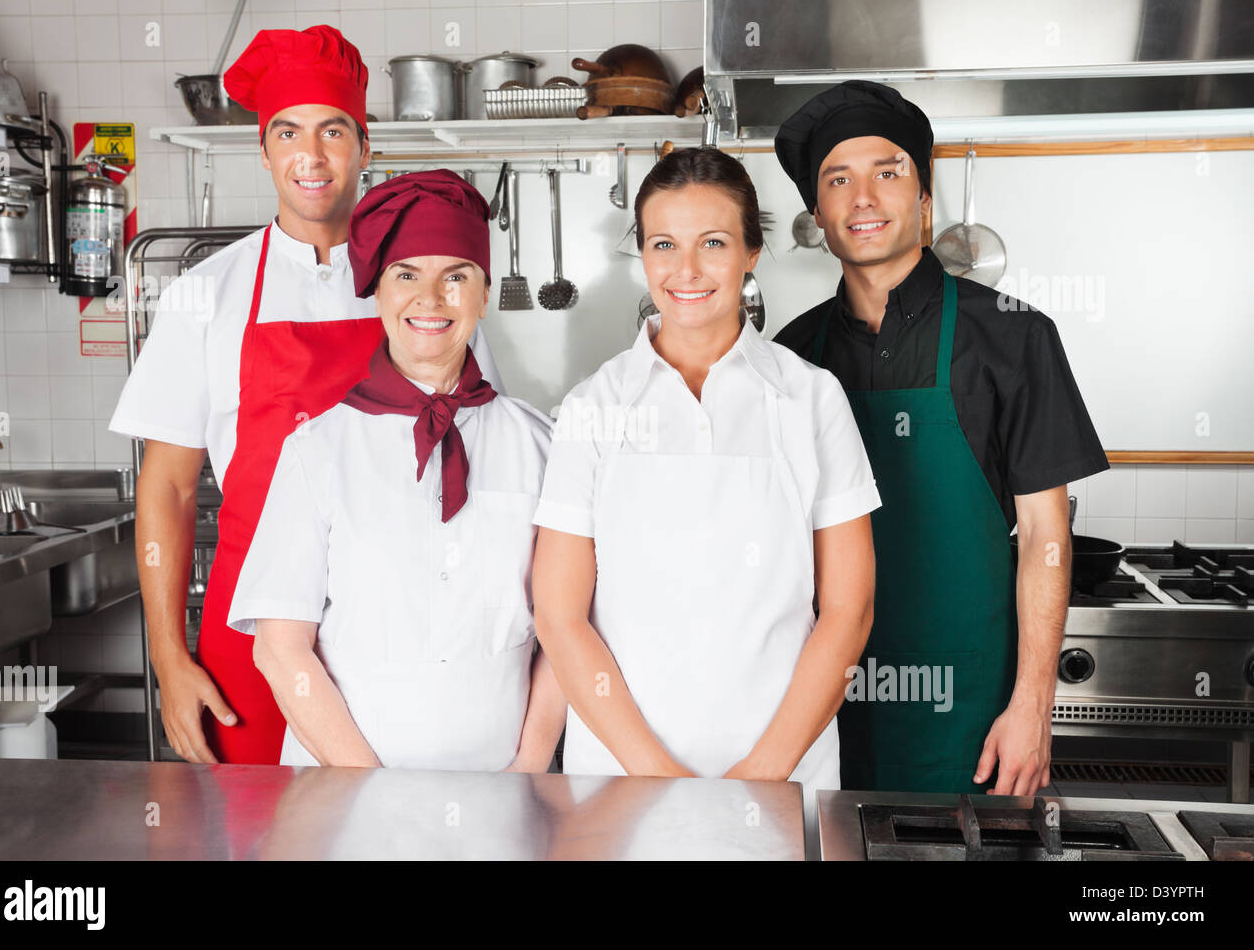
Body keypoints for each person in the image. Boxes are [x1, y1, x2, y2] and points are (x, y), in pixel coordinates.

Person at [108, 26, 504, 765]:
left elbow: (478, 454)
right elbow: (165, 487)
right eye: (287, 132)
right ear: (262, 149)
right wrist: (169, 657)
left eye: (332, 131)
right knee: (251, 836)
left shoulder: (426, 295)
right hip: (247, 633)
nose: (310, 157)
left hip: (392, 629)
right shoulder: (207, 293)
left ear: (364, 141)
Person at [773, 81, 1110, 796]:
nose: (863, 197)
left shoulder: (1016, 335)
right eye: (839, 180)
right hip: (820, 711)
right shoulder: (788, 356)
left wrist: (1033, 708)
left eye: (887, 172)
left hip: (974, 714)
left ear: (925, 205)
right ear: (819, 218)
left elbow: (1047, 535)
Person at [532, 147, 879, 836]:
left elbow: (850, 607)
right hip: (620, 784)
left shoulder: (811, 398)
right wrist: (662, 781)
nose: (685, 271)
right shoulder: (593, 406)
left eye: (713, 243)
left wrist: (761, 777)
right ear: (642, 254)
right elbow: (560, 616)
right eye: (664, 244)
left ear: (752, 251)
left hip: (785, 784)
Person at [227, 170, 564, 773]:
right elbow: (282, 652)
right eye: (406, 275)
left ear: (483, 294)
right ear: (377, 292)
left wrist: (529, 770)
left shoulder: (541, 444)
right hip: (341, 790)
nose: (430, 300)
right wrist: (371, 791)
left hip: (501, 791)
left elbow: (567, 634)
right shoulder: (317, 450)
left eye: (455, 276)